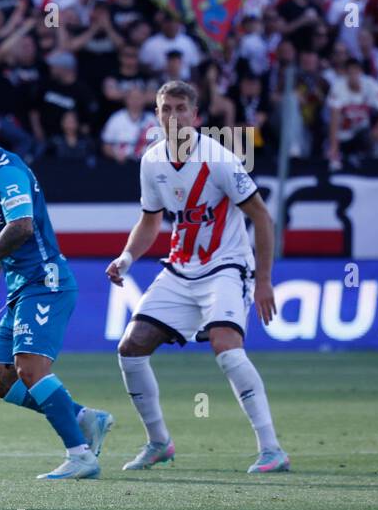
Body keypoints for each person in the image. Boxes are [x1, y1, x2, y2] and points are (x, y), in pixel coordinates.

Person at [107, 80, 289, 474]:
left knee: (226, 346)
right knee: (131, 347)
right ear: (156, 115)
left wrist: (263, 281)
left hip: (226, 266)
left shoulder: (220, 159)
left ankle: (272, 448)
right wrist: (125, 258)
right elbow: (150, 221)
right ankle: (159, 443)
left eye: (180, 109)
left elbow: (261, 215)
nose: (173, 117)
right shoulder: (151, 161)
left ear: (195, 116)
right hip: (179, 268)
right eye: (165, 109)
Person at [0, 97, 114, 480]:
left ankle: (80, 454)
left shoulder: (7, 172)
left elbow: (21, 226)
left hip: (45, 281)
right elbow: (7, 230)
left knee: (30, 369)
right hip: (20, 283)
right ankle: (84, 418)